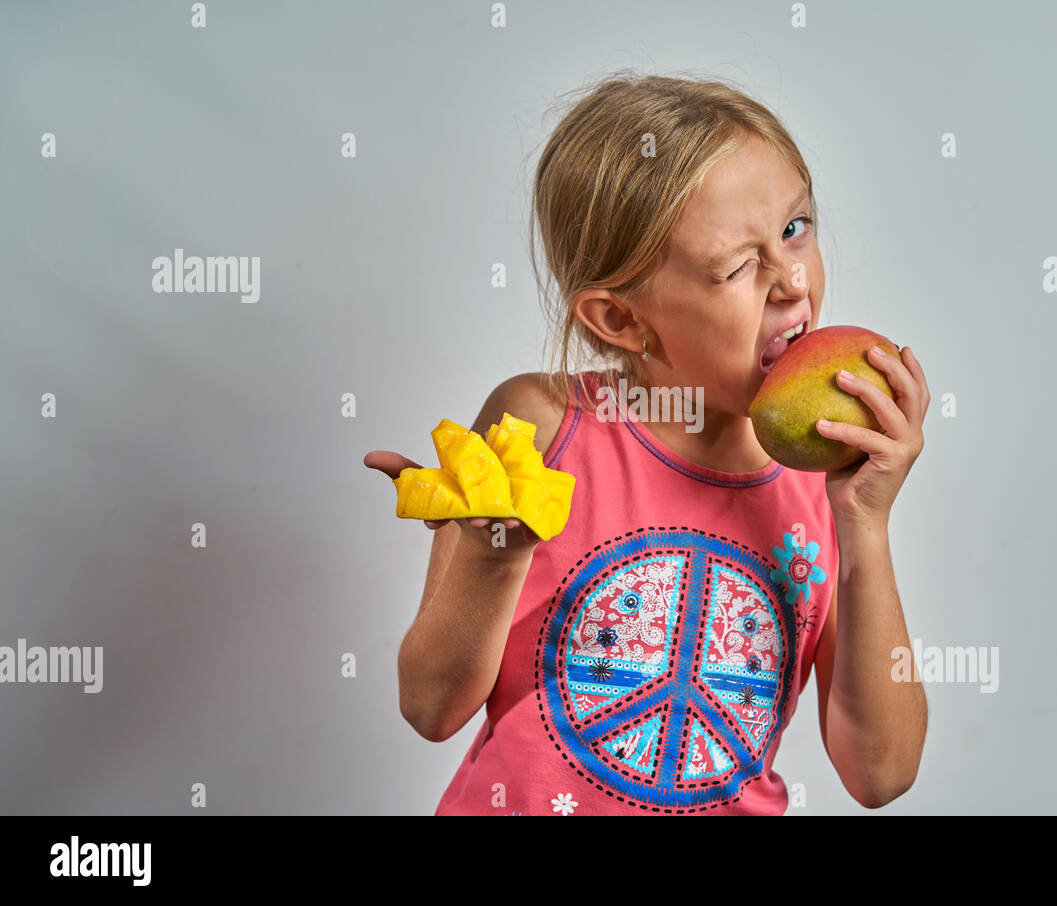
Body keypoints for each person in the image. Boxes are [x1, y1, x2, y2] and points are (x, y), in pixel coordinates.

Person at [364, 71, 930, 815]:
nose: (792, 280)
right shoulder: (540, 425)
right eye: (738, 265)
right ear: (622, 320)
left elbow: (880, 774)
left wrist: (865, 521)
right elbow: (430, 707)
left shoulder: (829, 475)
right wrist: (495, 552)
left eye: (795, 228)